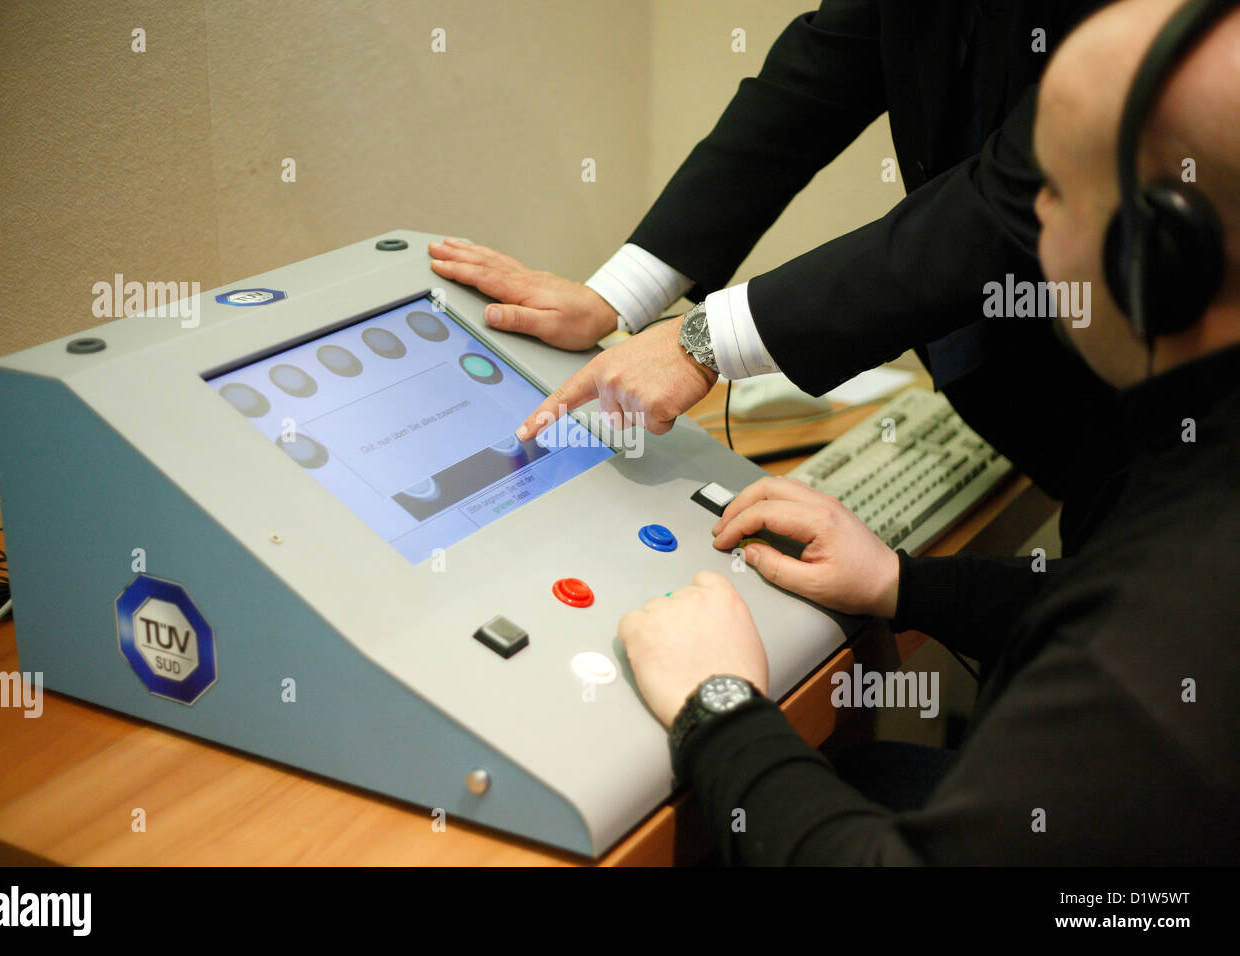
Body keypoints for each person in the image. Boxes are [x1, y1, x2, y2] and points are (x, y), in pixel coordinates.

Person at [615, 0, 1240, 865]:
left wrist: (720, 707)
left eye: (1051, 187)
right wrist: (903, 586)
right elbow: (1090, 601)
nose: (1033, 223)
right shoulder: (1192, 498)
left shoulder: (1167, 617)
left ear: (1160, 257)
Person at [429, 0, 1127, 554]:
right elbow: (812, 82)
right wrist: (615, 295)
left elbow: (1008, 196)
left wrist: (699, 342)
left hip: (1147, 408)